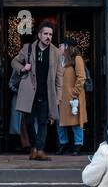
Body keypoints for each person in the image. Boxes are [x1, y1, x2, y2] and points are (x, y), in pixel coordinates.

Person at [11, 18, 62, 161]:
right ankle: (34, 147)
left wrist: (57, 98)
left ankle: (39, 150)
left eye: (50, 35)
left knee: (43, 122)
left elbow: (59, 78)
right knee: (28, 122)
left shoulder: (56, 53)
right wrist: (23, 68)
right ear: (39, 35)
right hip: (29, 93)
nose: (48, 37)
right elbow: (14, 61)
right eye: (45, 34)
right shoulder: (28, 48)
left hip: (46, 93)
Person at [56, 36, 87, 155]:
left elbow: (81, 77)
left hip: (73, 97)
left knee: (76, 122)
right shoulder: (59, 60)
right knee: (60, 122)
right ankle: (63, 144)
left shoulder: (77, 58)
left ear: (67, 47)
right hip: (61, 97)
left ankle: (78, 145)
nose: (59, 48)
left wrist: (75, 92)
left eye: (60, 46)